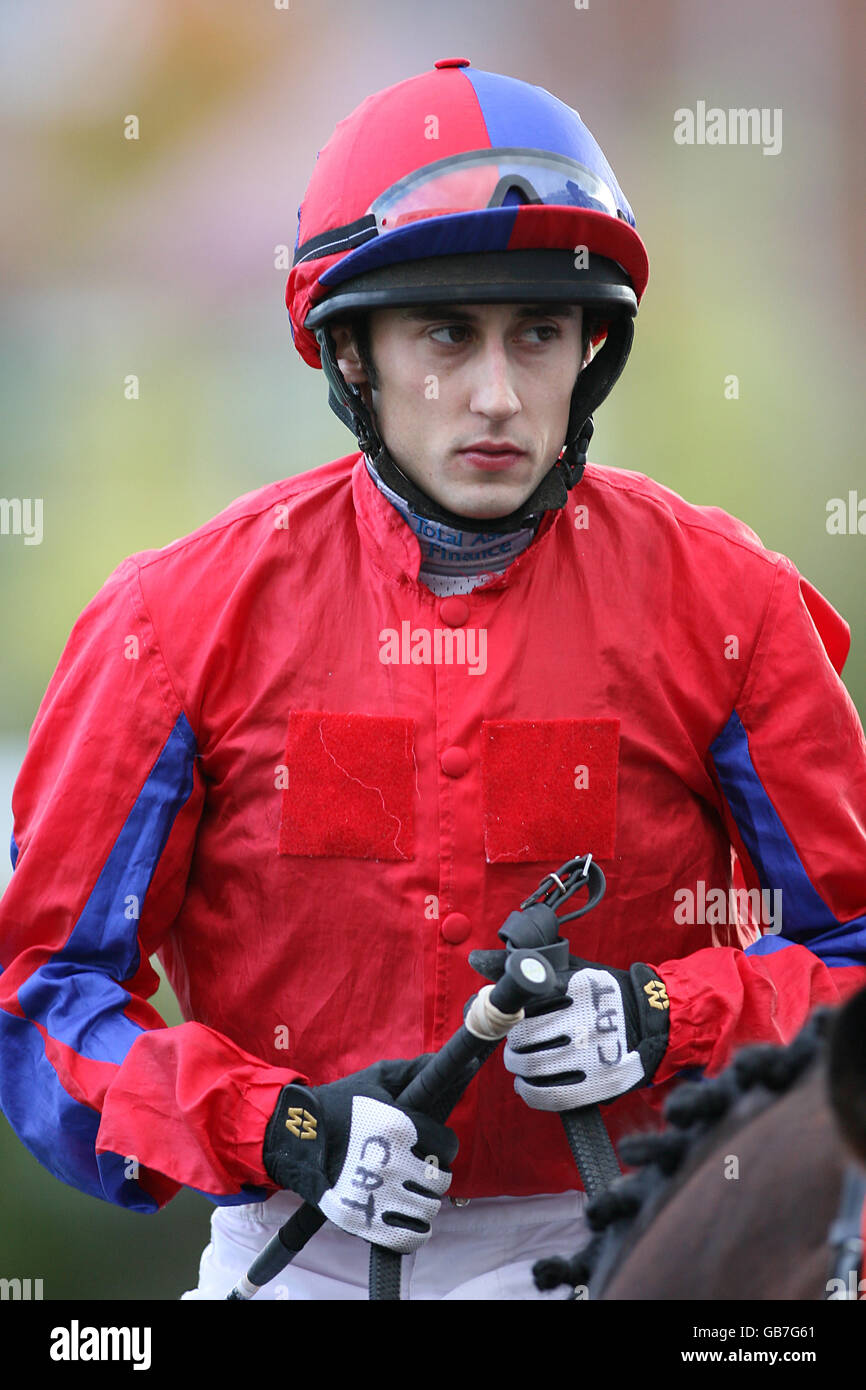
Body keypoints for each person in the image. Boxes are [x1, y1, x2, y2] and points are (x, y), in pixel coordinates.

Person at [1, 57, 864, 1302]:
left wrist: (671, 1012)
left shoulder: (729, 602)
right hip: (296, 1261)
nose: (499, 395)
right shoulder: (168, 623)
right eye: (446, 335)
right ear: (349, 353)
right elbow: (42, 1001)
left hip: (649, 1240)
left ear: (592, 349)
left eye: (539, 333)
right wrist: (279, 1127)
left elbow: (849, 958)